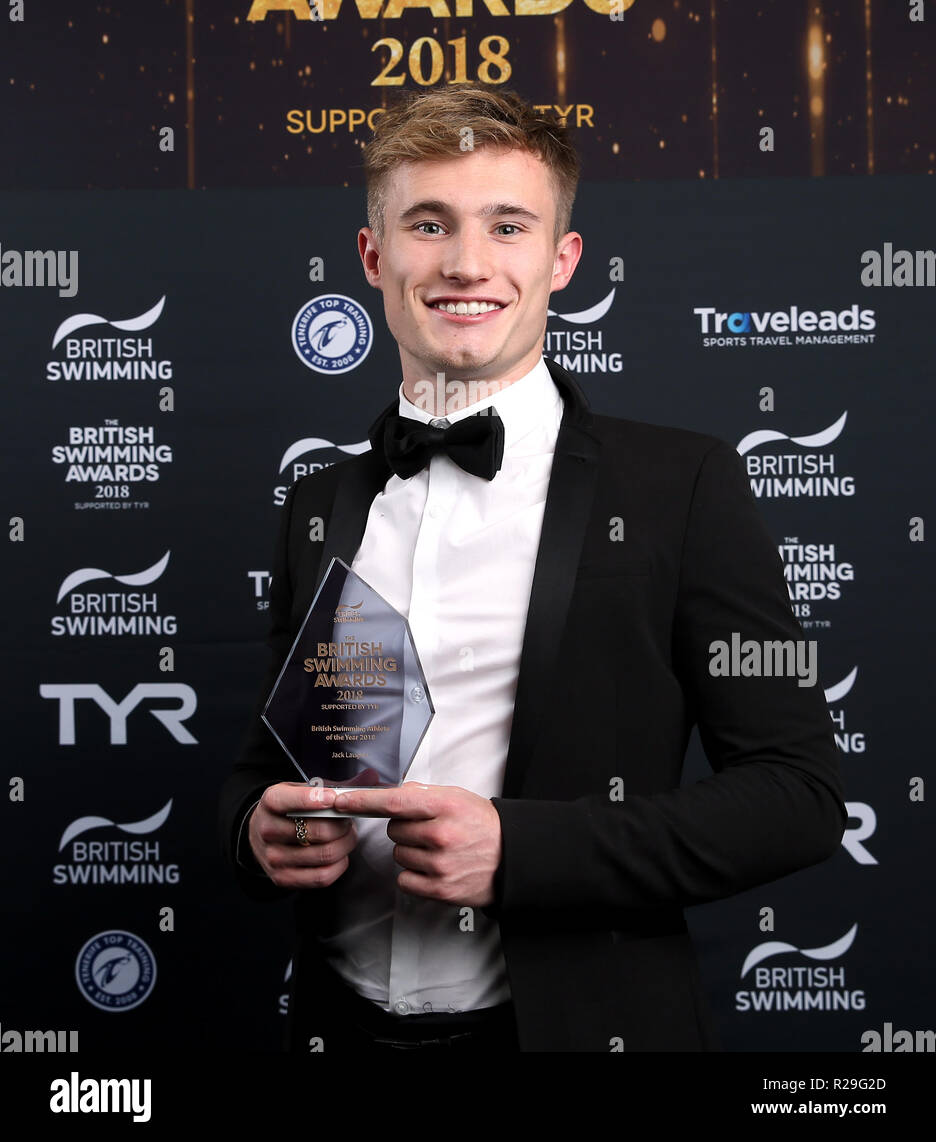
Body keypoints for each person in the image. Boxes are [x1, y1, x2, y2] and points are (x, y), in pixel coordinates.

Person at [219, 86, 846, 1053]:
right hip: (334, 1029)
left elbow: (797, 797)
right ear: (374, 257)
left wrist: (523, 850)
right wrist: (257, 832)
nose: (467, 263)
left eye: (507, 226)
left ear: (561, 261)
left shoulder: (683, 484)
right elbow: (273, 768)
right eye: (429, 224)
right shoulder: (321, 503)